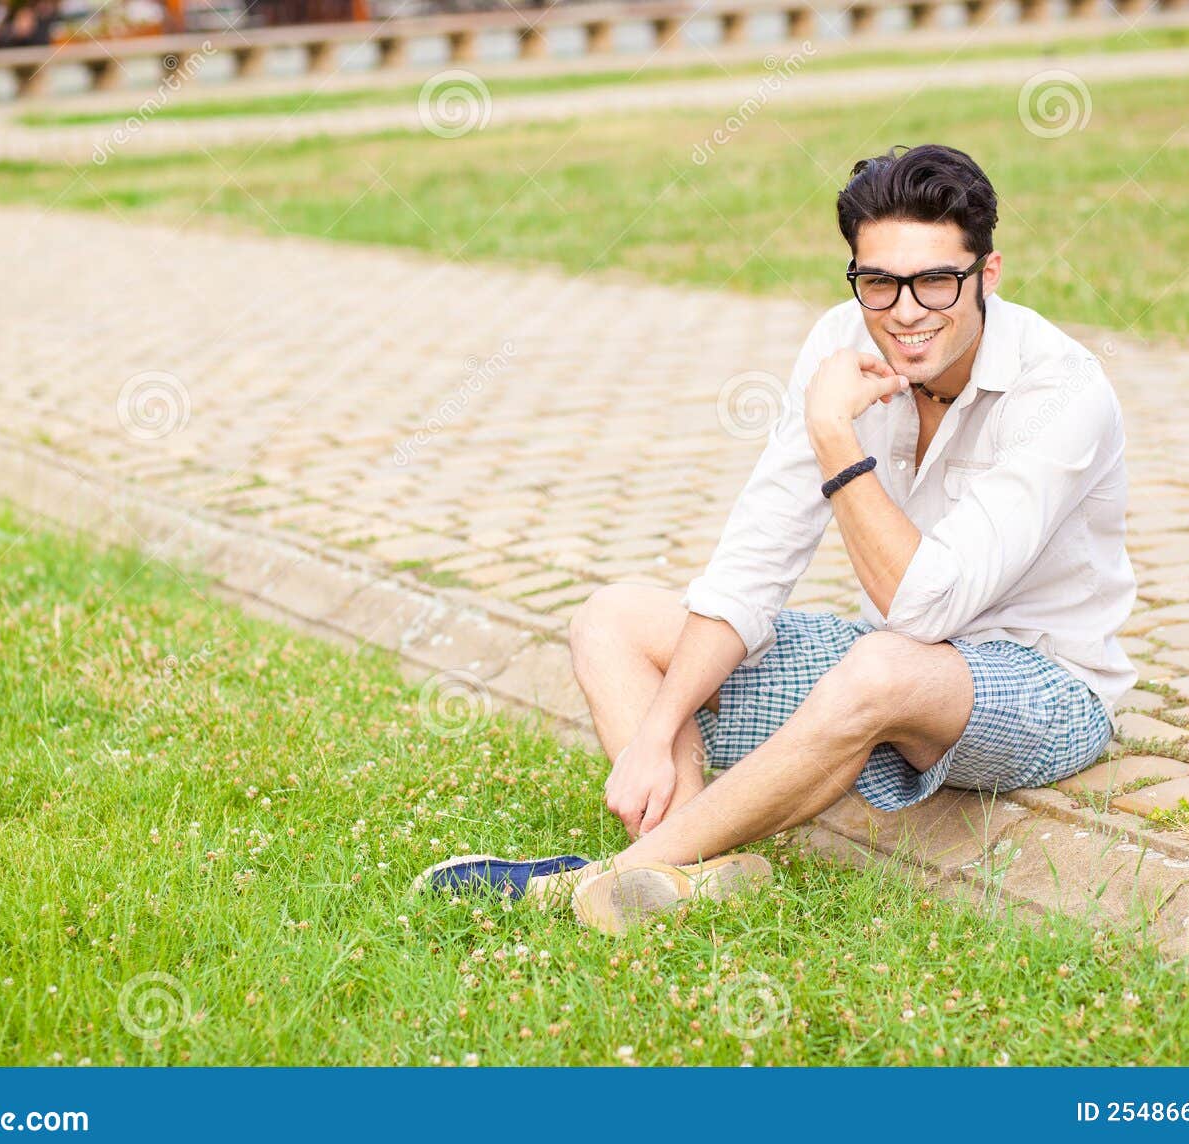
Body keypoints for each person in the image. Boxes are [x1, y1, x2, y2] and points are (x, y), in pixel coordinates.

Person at [416, 144, 1137, 934]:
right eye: (878, 282)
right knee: (612, 619)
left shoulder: (1062, 389)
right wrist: (656, 731)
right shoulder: (842, 339)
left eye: (936, 280)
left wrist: (833, 432)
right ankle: (700, 873)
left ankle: (608, 879)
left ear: (987, 274)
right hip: (884, 666)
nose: (904, 311)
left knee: (882, 661)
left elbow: (925, 608)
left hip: (1043, 688)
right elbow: (755, 562)